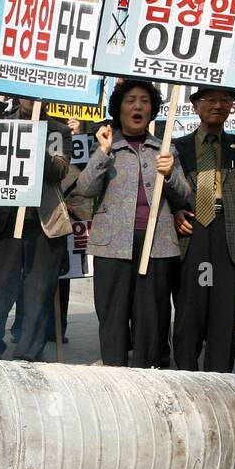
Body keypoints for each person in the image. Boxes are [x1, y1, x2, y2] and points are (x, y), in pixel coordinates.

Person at [70, 80, 191, 366]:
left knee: (151, 316)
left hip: (157, 245)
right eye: (130, 100)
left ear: (152, 110)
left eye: (145, 101)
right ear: (118, 108)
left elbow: (185, 195)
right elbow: (84, 189)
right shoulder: (106, 145)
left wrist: (171, 172)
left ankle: (147, 371)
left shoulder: (164, 149)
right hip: (113, 246)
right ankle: (114, 372)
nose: (137, 106)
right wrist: (103, 152)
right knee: (112, 314)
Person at [171, 88, 235, 372]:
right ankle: (185, 372)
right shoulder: (176, 147)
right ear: (194, 105)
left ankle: (220, 375)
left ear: (233, 106)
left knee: (225, 311)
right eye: (210, 100)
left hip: (230, 231)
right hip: (192, 230)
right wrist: (175, 210)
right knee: (189, 308)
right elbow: (164, 190)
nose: (218, 105)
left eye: (225, 100)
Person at [0, 98, 74, 361]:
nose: (33, 99)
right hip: (6, 223)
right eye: (27, 93)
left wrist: (32, 141)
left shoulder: (59, 131)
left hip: (45, 224)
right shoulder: (2, 125)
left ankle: (29, 354)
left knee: (37, 292)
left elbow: (58, 171)